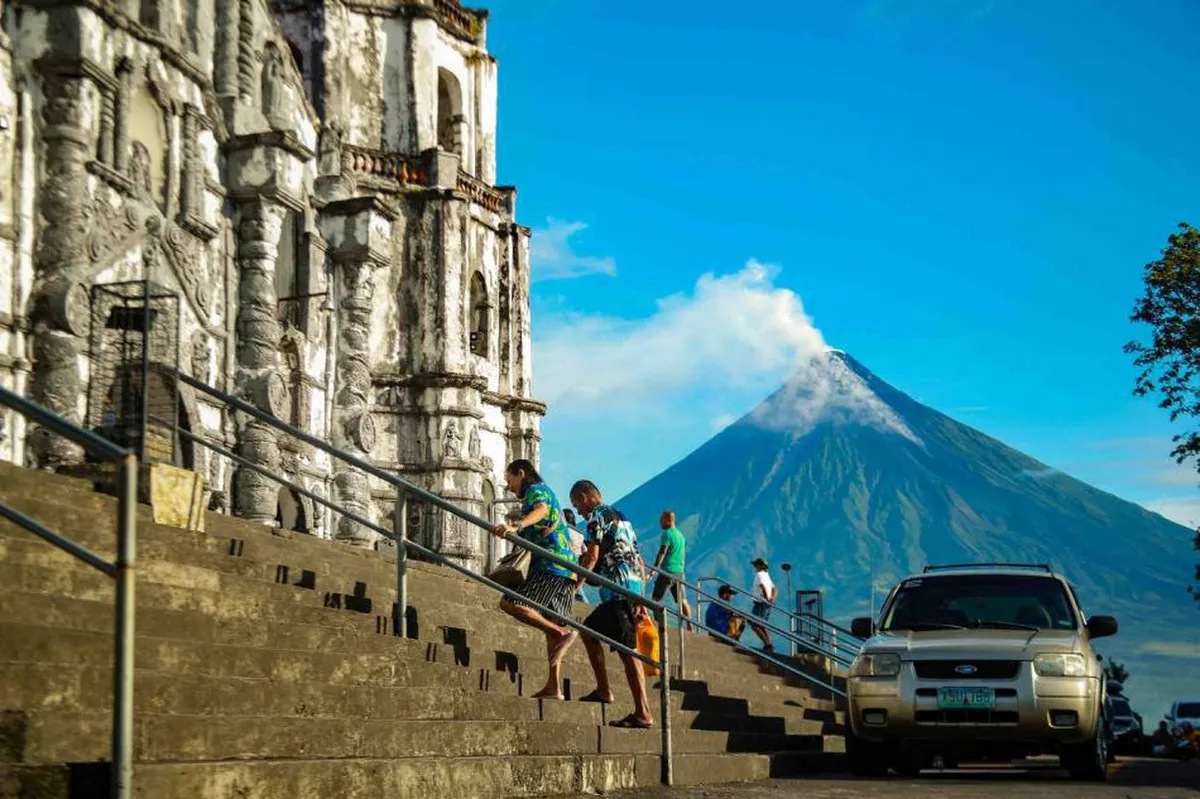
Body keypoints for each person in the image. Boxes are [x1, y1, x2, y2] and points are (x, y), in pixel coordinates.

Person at [491, 459, 579, 700]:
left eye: (510, 480)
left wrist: (516, 526)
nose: (509, 487)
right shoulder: (547, 492)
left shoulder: (536, 490)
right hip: (567, 569)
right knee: (552, 626)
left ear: (521, 473)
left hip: (551, 565)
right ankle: (554, 686)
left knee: (511, 603)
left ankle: (561, 634)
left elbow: (540, 510)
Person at [570, 479, 653, 729]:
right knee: (593, 633)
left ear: (585, 497)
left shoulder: (596, 516)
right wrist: (641, 599)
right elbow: (639, 561)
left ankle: (641, 711)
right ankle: (607, 692)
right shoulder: (622, 518)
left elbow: (592, 554)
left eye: (576, 505)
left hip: (618, 591)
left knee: (628, 652)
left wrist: (576, 583)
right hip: (631, 589)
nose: (577, 511)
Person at [650, 510, 692, 630]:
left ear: (669, 520)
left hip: (667, 571)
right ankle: (690, 625)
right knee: (682, 600)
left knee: (655, 600)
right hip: (679, 572)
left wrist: (654, 568)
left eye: (662, 519)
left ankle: (660, 624)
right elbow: (683, 555)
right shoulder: (680, 536)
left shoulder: (667, 534)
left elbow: (662, 551)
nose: (660, 522)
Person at [748, 557, 776, 653]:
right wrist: (772, 598)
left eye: (756, 565)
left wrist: (766, 598)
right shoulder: (766, 575)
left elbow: (762, 586)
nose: (755, 567)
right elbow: (774, 589)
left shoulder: (759, 575)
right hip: (766, 603)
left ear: (760, 566)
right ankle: (769, 645)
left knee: (754, 624)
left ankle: (768, 645)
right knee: (761, 625)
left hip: (760, 603)